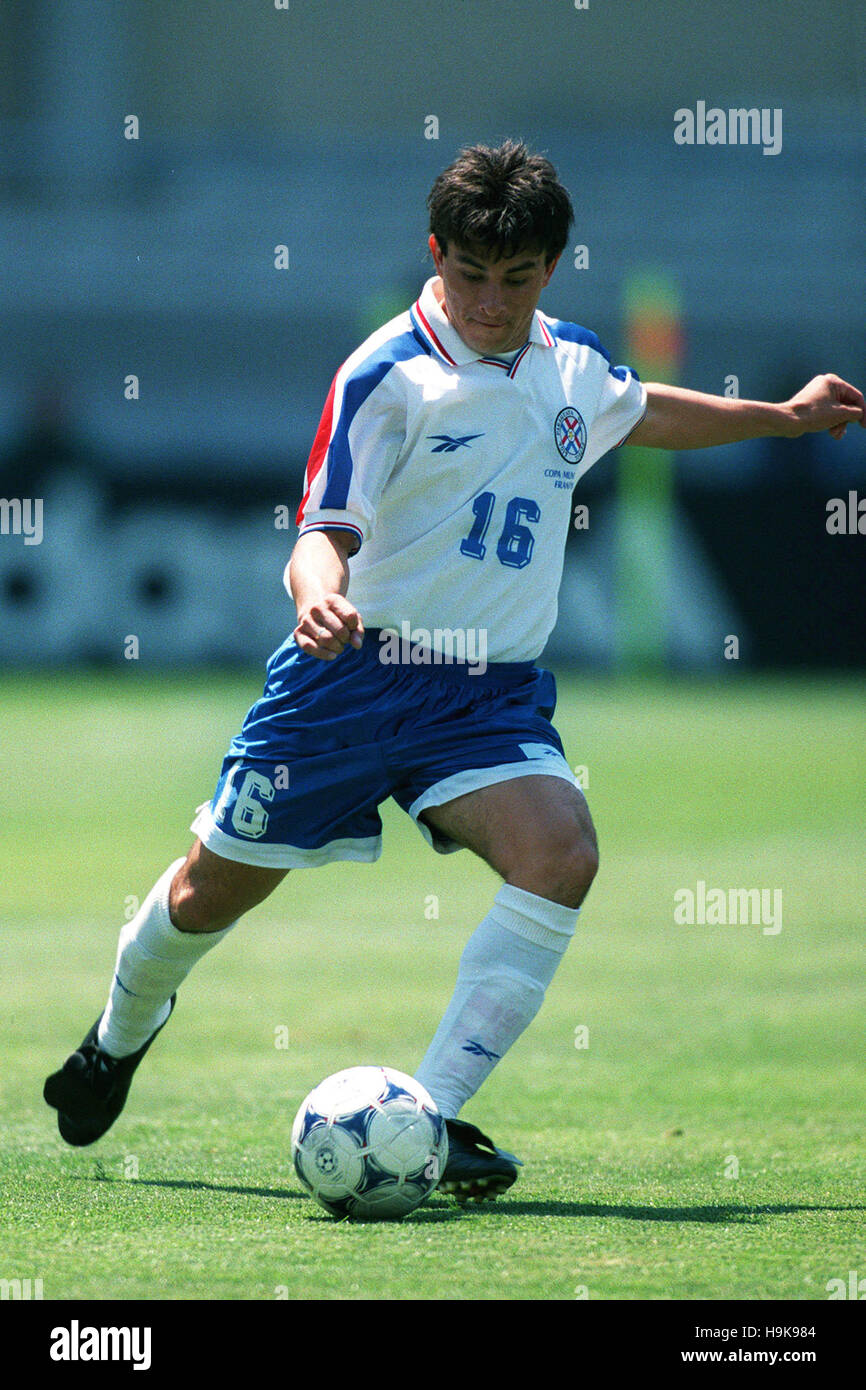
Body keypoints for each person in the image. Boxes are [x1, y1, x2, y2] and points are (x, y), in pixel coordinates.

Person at [44, 140, 864, 1202]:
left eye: (514, 279)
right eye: (469, 275)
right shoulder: (385, 374)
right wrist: (315, 593)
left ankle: (428, 1117)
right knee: (206, 894)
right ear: (435, 255)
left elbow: (646, 408)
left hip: (484, 695)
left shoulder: (570, 365)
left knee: (562, 851)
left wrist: (782, 417)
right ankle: (117, 1037)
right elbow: (316, 529)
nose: (489, 300)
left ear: (550, 266)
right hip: (348, 682)